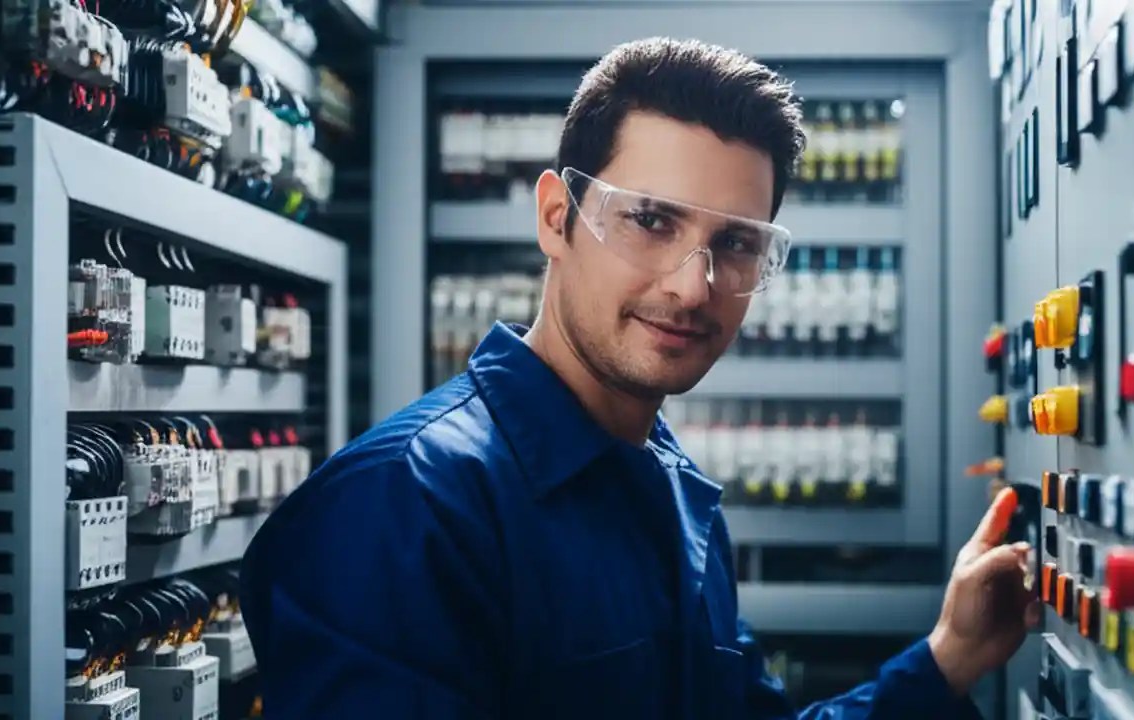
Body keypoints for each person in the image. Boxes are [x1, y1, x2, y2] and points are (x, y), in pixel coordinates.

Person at [239, 36, 1039, 719]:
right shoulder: (404, 506)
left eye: (736, 244)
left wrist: (947, 658)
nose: (694, 286)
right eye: (650, 221)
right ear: (558, 218)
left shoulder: (668, 488)